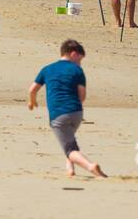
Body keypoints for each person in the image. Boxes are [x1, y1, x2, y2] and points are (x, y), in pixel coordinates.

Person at [29, 39, 106, 178]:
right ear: (74, 54)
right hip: (77, 112)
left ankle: (90, 166)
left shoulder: (47, 69)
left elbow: (32, 90)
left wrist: (32, 102)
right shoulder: (77, 70)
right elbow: (82, 95)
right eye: (80, 60)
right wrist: (76, 106)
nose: (80, 63)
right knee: (69, 141)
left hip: (58, 115)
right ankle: (70, 169)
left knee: (69, 148)